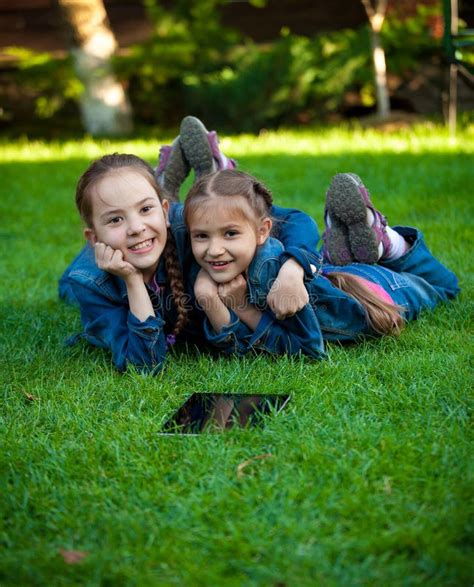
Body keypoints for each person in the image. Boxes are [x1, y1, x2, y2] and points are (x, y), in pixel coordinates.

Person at [58, 118, 322, 373]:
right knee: (66, 287)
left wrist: (293, 270)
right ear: (94, 238)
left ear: (164, 211)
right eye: (116, 219)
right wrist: (133, 281)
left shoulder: (193, 231)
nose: (136, 226)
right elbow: (144, 365)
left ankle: (204, 186)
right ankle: (188, 182)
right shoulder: (90, 281)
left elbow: (294, 221)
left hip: (169, 226)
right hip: (111, 256)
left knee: (212, 214)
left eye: (145, 209)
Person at [184, 169, 459, 358]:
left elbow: (309, 350)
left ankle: (390, 242)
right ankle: (359, 246)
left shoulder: (268, 273)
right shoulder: (216, 270)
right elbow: (237, 349)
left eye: (230, 233)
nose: (214, 250)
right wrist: (208, 297)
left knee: (443, 287)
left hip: (375, 293)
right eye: (201, 236)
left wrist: (242, 307)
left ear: (263, 231)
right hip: (333, 276)